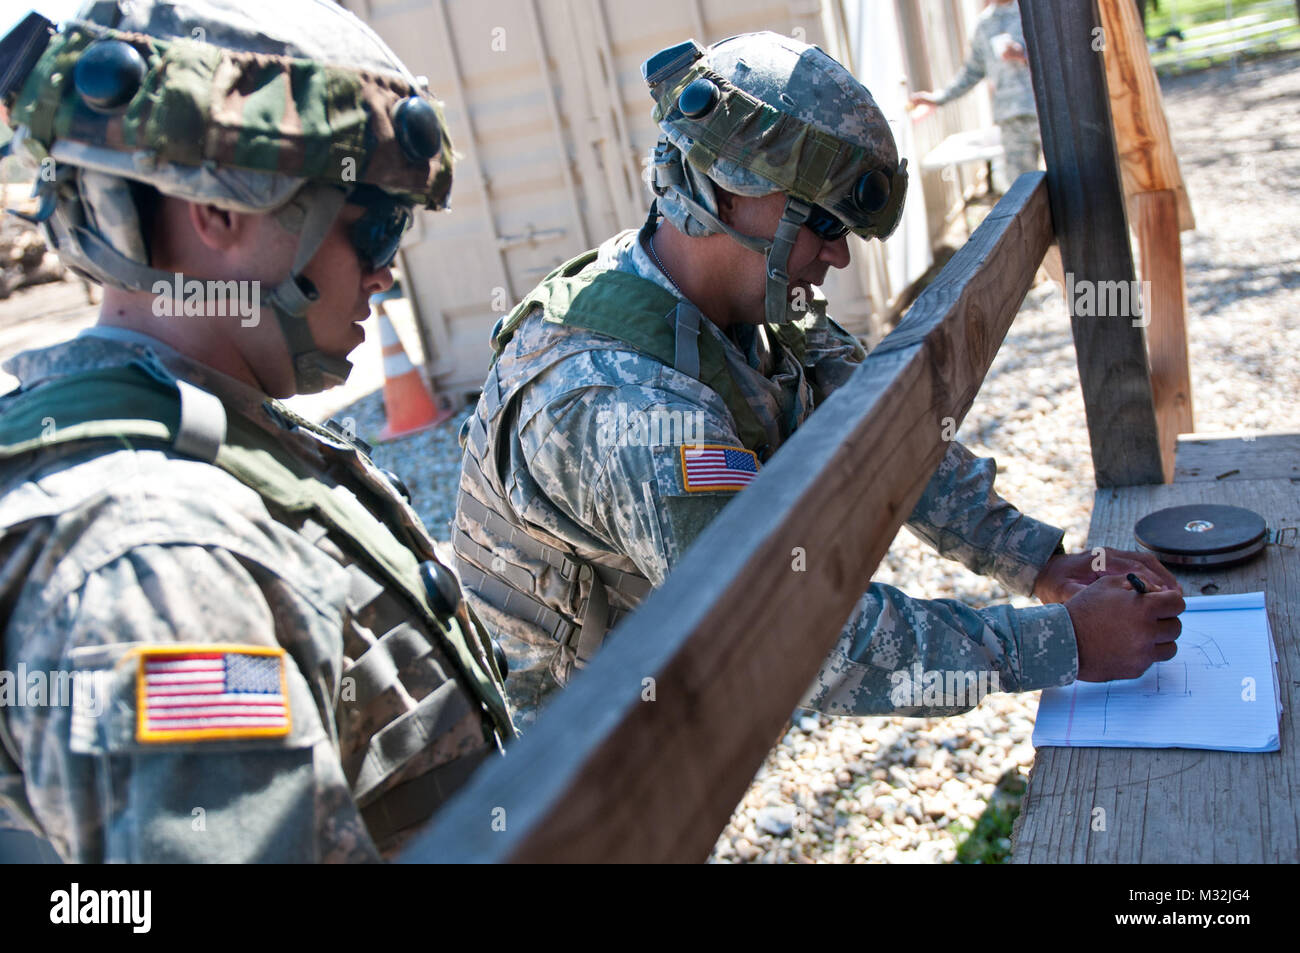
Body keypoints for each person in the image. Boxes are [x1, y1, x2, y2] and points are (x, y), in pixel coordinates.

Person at [453, 31, 1184, 728]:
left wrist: (1041, 563)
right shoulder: (627, 407)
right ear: (731, 194)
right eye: (825, 223)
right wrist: (1060, 643)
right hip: (575, 761)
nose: (837, 257)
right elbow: (786, 634)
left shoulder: (755, 304)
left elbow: (892, 433)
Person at [0, 0, 511, 863]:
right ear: (222, 212)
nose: (388, 269)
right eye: (375, 223)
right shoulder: (160, 559)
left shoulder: (198, 428)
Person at [908, 0, 1041, 195]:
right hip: (1012, 119)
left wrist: (1024, 55)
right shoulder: (984, 24)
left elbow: (1059, 52)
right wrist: (937, 98)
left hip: (1045, 112)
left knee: (1067, 177)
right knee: (1024, 189)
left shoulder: (1033, 12)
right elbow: (971, 73)